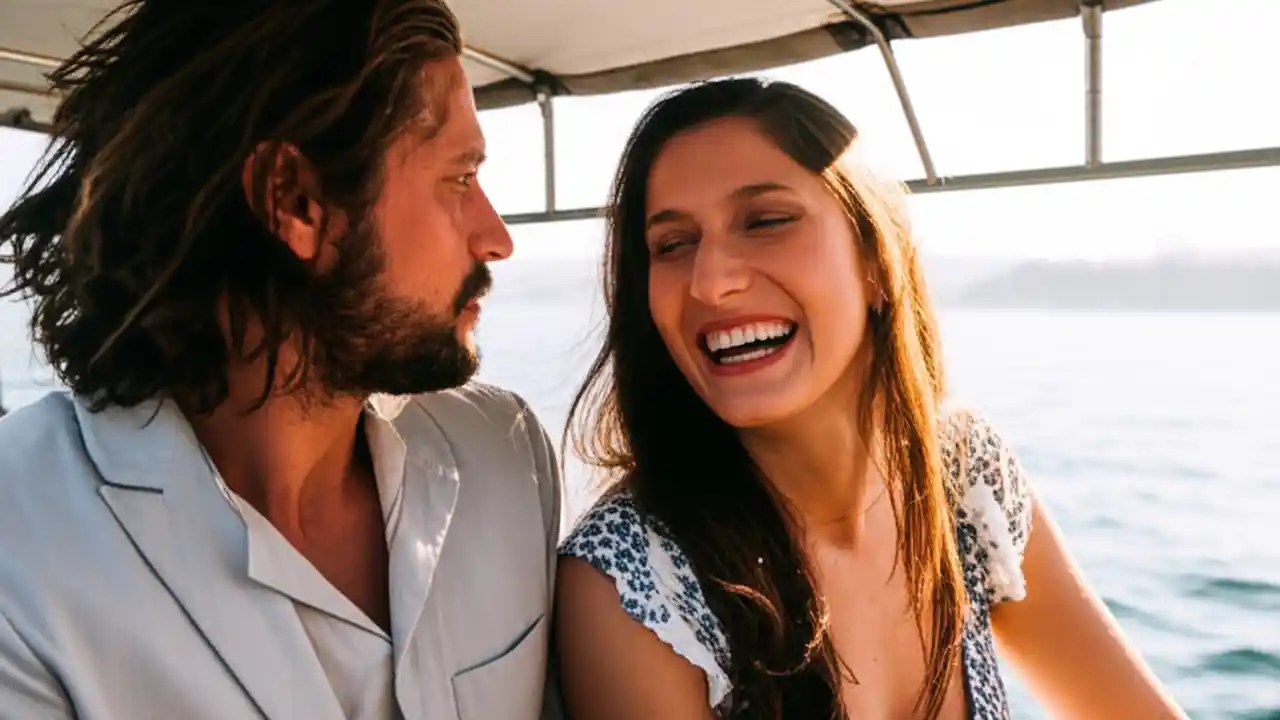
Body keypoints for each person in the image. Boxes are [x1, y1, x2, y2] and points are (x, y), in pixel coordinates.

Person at [554, 78, 1185, 719]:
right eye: (673, 244)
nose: (711, 283)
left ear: (875, 261)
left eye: (766, 221)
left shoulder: (965, 475)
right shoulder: (632, 583)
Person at [0, 1, 562, 718]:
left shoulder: (506, 458)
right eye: (459, 178)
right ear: (294, 201)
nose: (496, 238)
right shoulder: (20, 542)